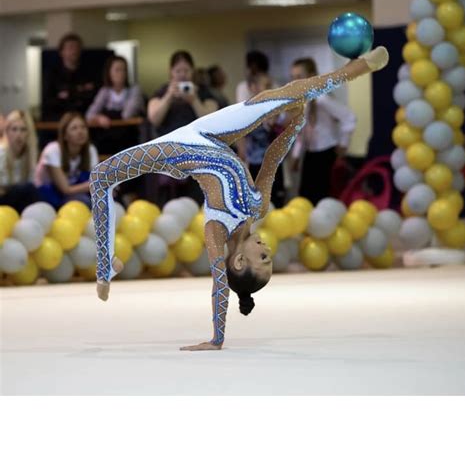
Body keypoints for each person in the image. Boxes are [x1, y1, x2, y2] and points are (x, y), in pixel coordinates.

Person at [90, 47, 389, 350]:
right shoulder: (257, 207)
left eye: (263, 257)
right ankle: (357, 68)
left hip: (177, 151)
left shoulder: (216, 230)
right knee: (281, 96)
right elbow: (272, 159)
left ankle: (105, 269)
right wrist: (295, 125)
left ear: (240, 259)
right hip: (213, 134)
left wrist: (217, 337)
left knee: (100, 177)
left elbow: (220, 283)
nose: (267, 249)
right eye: (269, 256)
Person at [147, 50, 218, 205]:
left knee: (197, 198)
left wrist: (194, 101)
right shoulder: (162, 92)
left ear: (192, 71)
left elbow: (211, 120)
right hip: (169, 154)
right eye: (178, 71)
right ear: (171, 72)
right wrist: (168, 97)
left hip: (197, 153)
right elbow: (154, 118)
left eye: (186, 70)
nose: (182, 75)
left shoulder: (203, 92)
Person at [289, 57, 357, 204]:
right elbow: (302, 130)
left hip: (326, 155)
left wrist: (343, 145)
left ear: (311, 76)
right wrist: (296, 156)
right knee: (305, 198)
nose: (295, 81)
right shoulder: (302, 101)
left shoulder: (322, 99)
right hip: (310, 155)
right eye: (293, 77)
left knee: (324, 198)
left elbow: (349, 117)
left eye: (299, 77)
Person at [236, 51, 285, 207]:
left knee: (276, 197)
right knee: (257, 197)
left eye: (269, 85)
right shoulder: (247, 105)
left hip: (274, 161)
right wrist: (241, 150)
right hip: (255, 161)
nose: (268, 88)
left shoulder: (274, 104)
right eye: (265, 86)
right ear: (253, 87)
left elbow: (280, 125)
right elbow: (241, 130)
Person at [35, 112, 99, 207]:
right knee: (84, 201)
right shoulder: (52, 150)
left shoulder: (90, 149)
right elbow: (65, 189)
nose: (80, 132)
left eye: (83, 127)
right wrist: (98, 184)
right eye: (74, 128)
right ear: (64, 135)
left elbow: (94, 178)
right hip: (47, 193)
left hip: (75, 189)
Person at [86, 55, 144, 154]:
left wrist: (111, 115)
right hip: (108, 138)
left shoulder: (134, 90)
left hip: (129, 137)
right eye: (117, 70)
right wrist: (99, 118)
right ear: (109, 72)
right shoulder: (105, 91)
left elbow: (126, 115)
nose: (121, 73)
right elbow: (89, 114)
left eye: (124, 70)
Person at [42, 33, 97, 120]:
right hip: (58, 120)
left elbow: (93, 99)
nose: (74, 51)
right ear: (62, 52)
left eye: (77, 47)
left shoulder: (89, 74)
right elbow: (49, 101)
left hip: (83, 118)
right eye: (70, 47)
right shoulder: (52, 75)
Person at [0, 110, 38, 210]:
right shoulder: (1, 153)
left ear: (28, 133)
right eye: (14, 129)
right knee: (26, 189)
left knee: (31, 190)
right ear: (7, 132)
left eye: (23, 130)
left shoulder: (30, 156)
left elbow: (31, 182)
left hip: (18, 200)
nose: (18, 134)